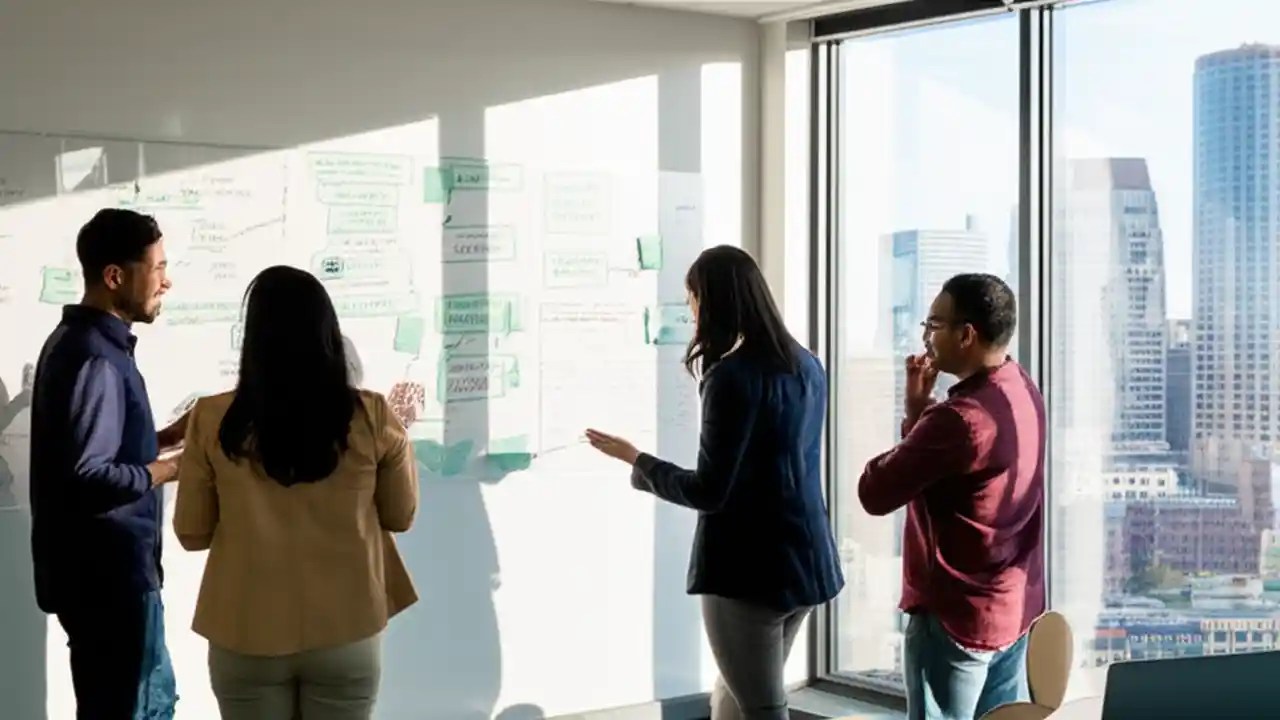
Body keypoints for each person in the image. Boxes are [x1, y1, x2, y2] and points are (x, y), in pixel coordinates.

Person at [585, 245, 844, 720]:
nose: (691, 310)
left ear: (714, 301)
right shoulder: (808, 365)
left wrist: (636, 460)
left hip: (749, 573)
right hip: (807, 562)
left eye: (693, 298)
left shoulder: (731, 377)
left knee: (762, 707)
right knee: (733, 693)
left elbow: (709, 490)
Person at [173, 264, 419, 720]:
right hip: (348, 627)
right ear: (328, 333)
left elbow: (192, 533)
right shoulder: (372, 416)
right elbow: (400, 516)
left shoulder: (211, 418)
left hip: (245, 629)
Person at [858, 273, 1045, 720]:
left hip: (955, 619)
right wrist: (923, 416)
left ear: (967, 335)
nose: (925, 336)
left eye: (934, 324)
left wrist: (918, 420)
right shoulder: (1023, 389)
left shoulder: (959, 421)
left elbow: (875, 491)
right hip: (1012, 612)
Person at [29, 208, 184, 719]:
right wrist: (173, 468)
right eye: (157, 267)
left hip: (101, 583)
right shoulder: (96, 356)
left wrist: (165, 439)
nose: (167, 280)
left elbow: (95, 453)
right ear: (115, 277)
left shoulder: (85, 345)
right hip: (112, 584)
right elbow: (89, 475)